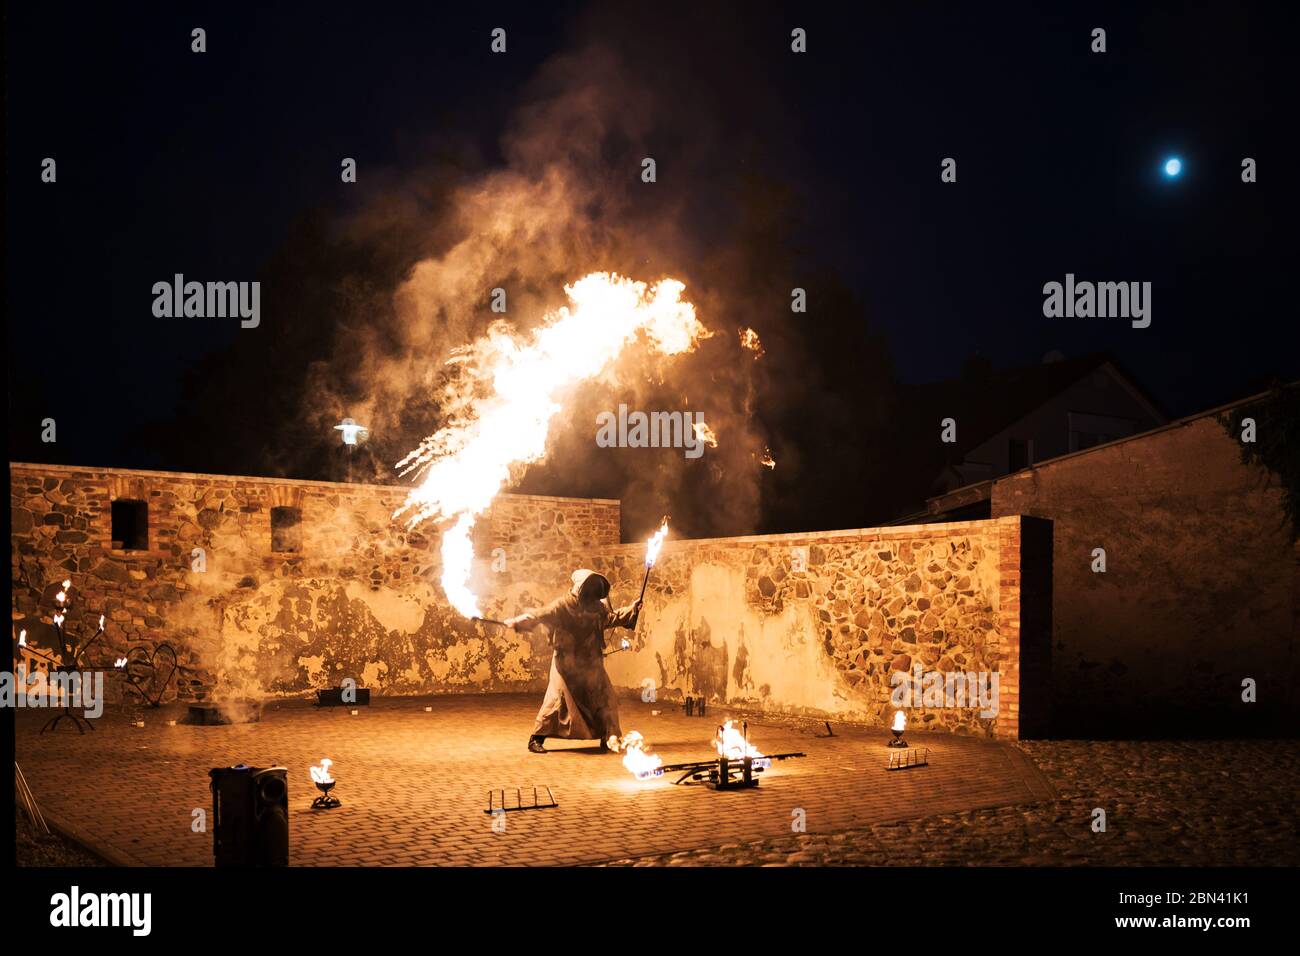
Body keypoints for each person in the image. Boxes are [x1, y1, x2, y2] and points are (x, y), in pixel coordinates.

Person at [504, 569, 641, 754]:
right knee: (557, 700)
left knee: (604, 698)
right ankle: (536, 738)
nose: (592, 593)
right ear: (580, 588)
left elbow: (608, 619)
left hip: (591, 661)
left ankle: (609, 737)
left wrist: (632, 609)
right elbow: (539, 615)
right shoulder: (562, 606)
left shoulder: (596, 608)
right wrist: (519, 621)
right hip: (566, 662)